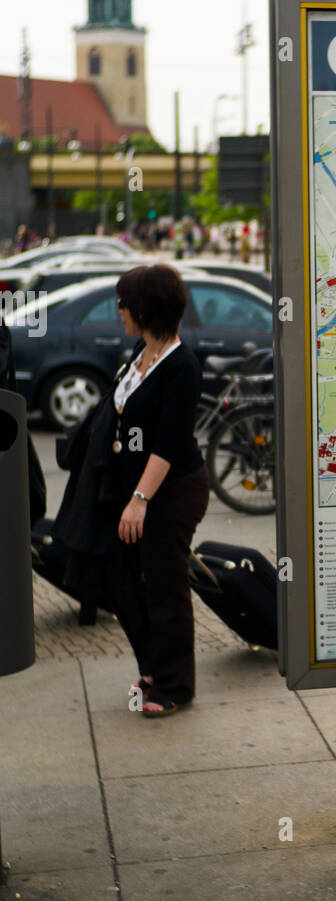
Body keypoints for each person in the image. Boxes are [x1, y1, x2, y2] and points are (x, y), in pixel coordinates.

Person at [55, 265, 209, 717]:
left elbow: (169, 443)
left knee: (164, 583)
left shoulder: (181, 366)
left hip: (170, 490)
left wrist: (140, 501)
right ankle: (152, 667)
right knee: (122, 582)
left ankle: (175, 685)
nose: (118, 311)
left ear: (144, 309)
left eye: (122, 304)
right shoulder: (140, 352)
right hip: (127, 491)